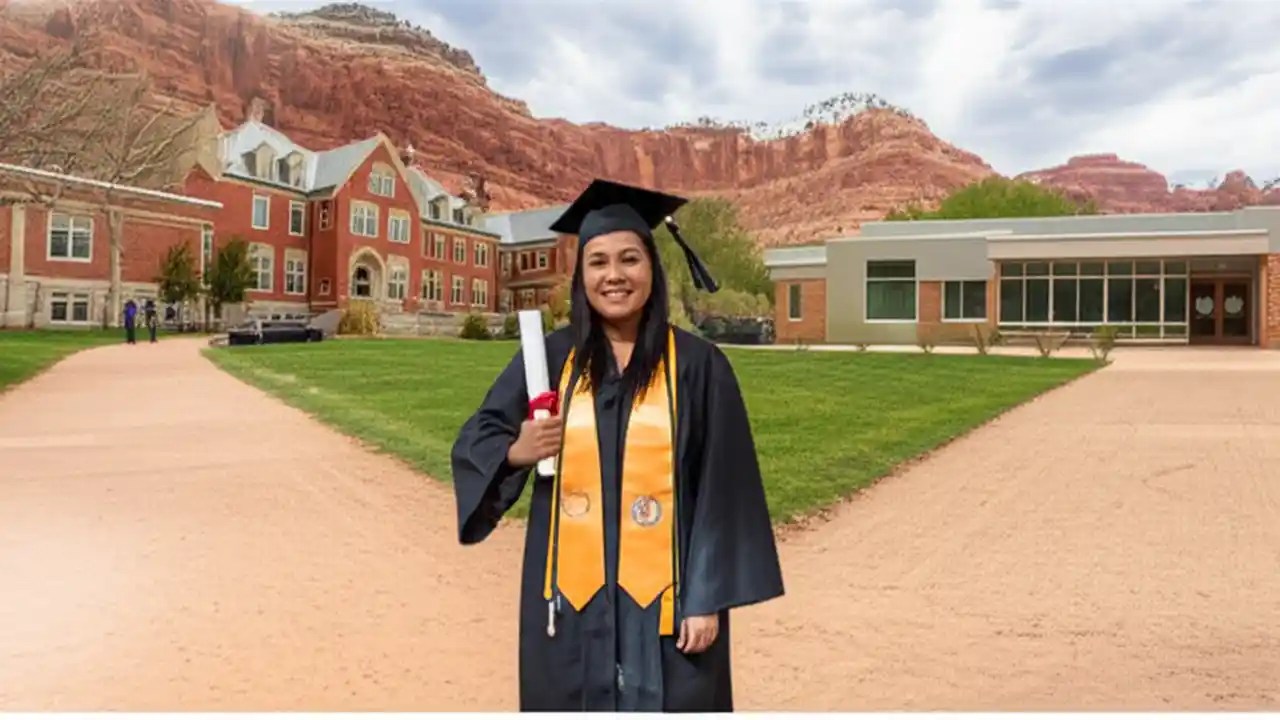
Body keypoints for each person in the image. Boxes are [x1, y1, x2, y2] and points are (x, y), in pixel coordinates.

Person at [451, 179, 784, 712]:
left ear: (652, 269)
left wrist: (707, 599)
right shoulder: (553, 360)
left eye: (629, 259)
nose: (614, 275)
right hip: (571, 599)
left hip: (670, 605)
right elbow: (478, 438)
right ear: (581, 279)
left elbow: (724, 490)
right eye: (598, 262)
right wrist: (519, 448)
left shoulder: (700, 367)